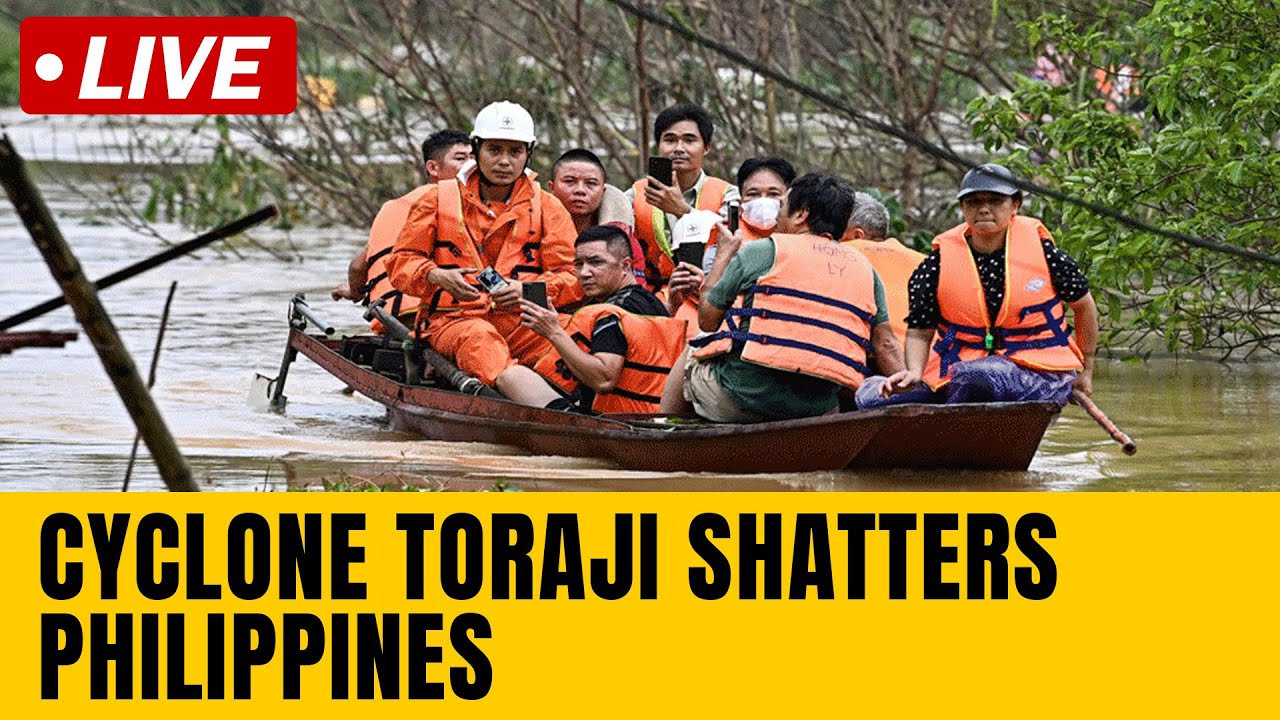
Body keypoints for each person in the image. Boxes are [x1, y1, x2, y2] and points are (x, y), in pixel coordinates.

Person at [659, 174, 902, 422]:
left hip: (741, 400)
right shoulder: (866, 270)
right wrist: (912, 393)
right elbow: (887, 345)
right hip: (818, 409)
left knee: (698, 344)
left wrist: (724, 252)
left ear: (801, 214)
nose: (776, 213)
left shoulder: (763, 251)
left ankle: (666, 432)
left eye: (783, 204)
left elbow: (707, 320)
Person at [857, 163, 1099, 409]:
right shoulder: (936, 265)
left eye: (995, 201)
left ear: (1015, 205)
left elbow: (1084, 307)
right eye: (973, 202)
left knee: (979, 376)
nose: (984, 209)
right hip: (960, 370)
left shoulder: (1048, 257)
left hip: (1038, 371)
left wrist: (1086, 370)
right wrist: (914, 372)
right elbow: (920, 331)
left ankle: (955, 425)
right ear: (963, 208)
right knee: (871, 396)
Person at [386, 101, 581, 403]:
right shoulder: (436, 200)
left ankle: (593, 404)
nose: (504, 161)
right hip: (453, 321)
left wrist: (526, 290)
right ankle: (556, 415)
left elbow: (572, 277)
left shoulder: (548, 207)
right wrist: (435, 275)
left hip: (523, 320)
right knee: (481, 340)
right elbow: (401, 264)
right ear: (476, 149)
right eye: (495, 150)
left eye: (514, 152)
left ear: (528, 153)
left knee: (580, 331)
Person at [509, 225, 687, 413]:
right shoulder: (653, 303)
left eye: (596, 262)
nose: (585, 273)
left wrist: (553, 332)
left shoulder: (610, 312)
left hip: (610, 420)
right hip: (656, 413)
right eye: (579, 264)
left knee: (513, 376)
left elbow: (604, 380)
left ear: (626, 265)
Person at [331, 128, 472, 330]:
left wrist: (354, 293)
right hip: (436, 319)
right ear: (433, 168)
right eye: (461, 159)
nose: (471, 166)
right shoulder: (451, 202)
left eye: (474, 159)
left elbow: (358, 266)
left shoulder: (393, 207)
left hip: (388, 321)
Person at [626, 103, 739, 288]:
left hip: (707, 294)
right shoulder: (635, 194)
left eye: (689, 140)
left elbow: (731, 247)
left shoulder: (727, 194)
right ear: (659, 146)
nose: (679, 148)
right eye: (670, 140)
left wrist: (682, 211)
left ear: (707, 147)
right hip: (650, 298)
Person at [547, 148, 647, 286]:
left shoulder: (623, 239)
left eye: (591, 183)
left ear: (603, 191)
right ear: (551, 188)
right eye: (570, 181)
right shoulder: (533, 229)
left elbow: (636, 293)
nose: (580, 190)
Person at [841, 191, 925, 347]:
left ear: (857, 235)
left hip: (882, 359)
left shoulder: (844, 255)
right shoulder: (923, 261)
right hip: (932, 361)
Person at [701, 156, 796, 270]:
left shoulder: (801, 235)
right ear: (740, 202)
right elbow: (709, 282)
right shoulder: (724, 235)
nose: (763, 201)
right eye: (753, 194)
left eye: (773, 194)